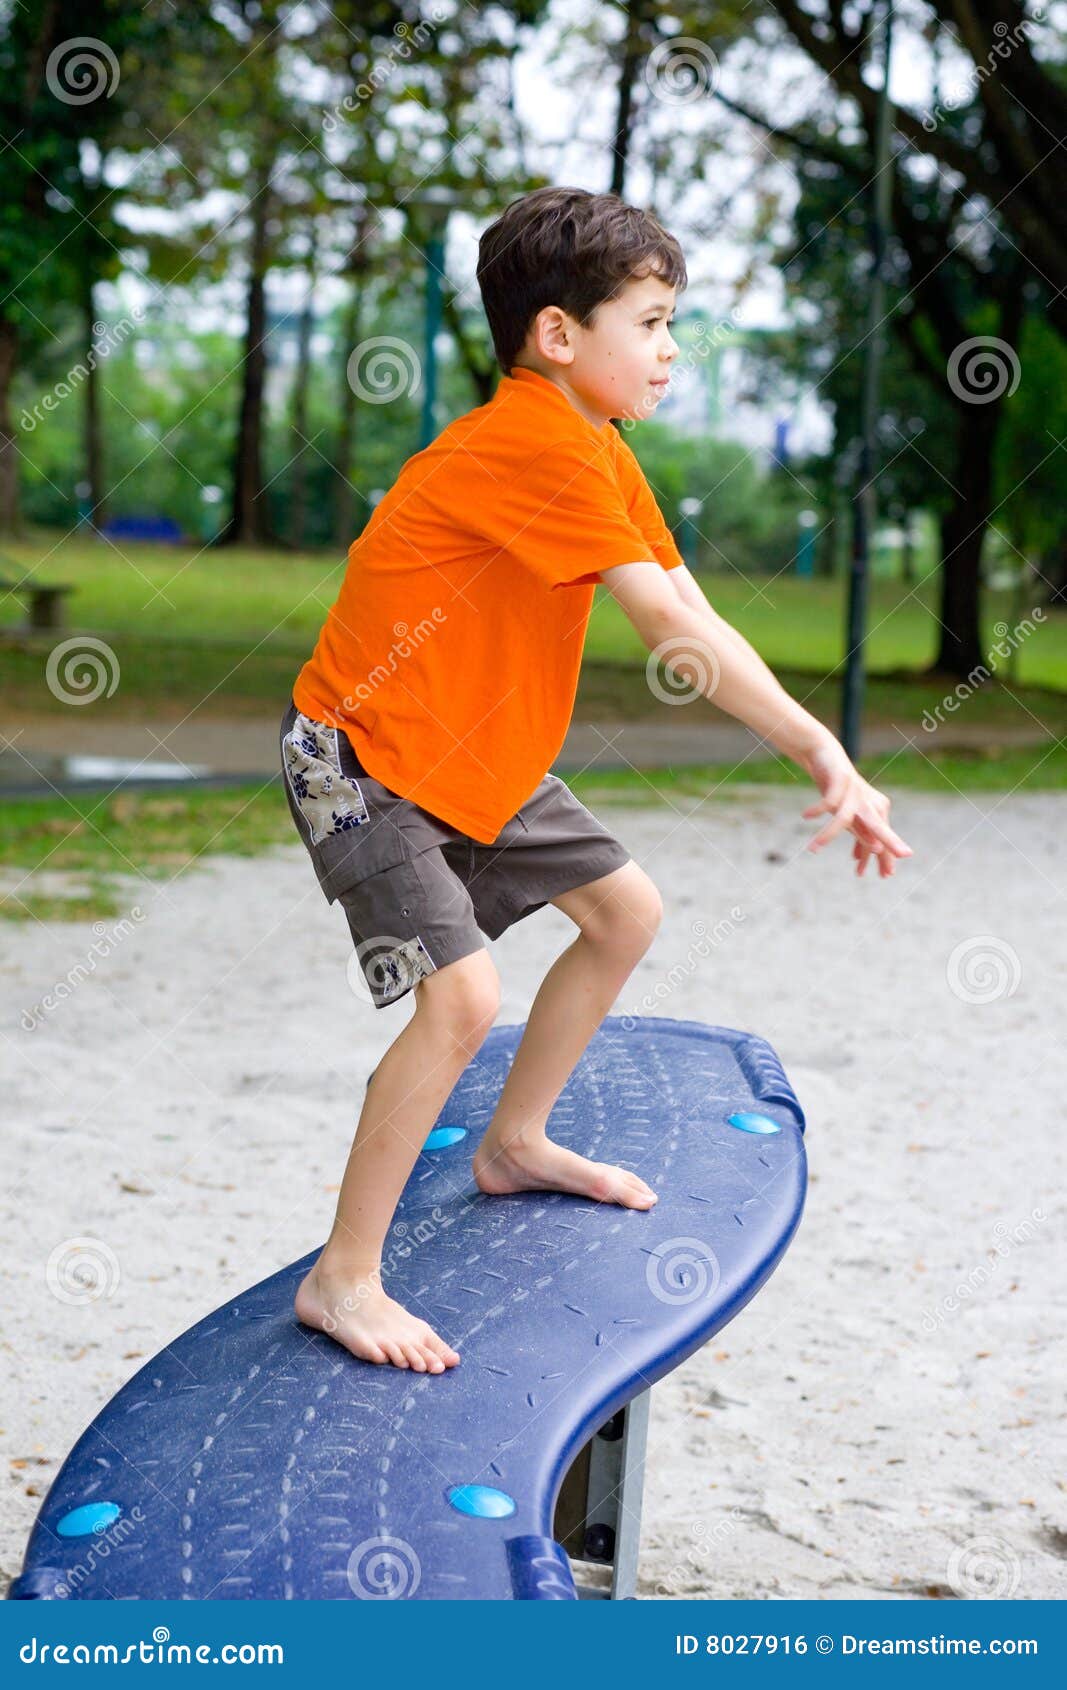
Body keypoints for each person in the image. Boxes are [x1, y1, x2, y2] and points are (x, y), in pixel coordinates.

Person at [279, 184, 912, 1375]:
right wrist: (820, 748)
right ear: (558, 335)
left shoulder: (595, 448)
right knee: (460, 1000)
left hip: (473, 749)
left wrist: (815, 739)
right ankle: (342, 1276)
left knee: (624, 910)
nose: (672, 350)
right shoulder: (533, 440)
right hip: (362, 755)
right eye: (653, 321)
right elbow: (669, 627)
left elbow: (692, 604)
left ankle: (513, 1140)